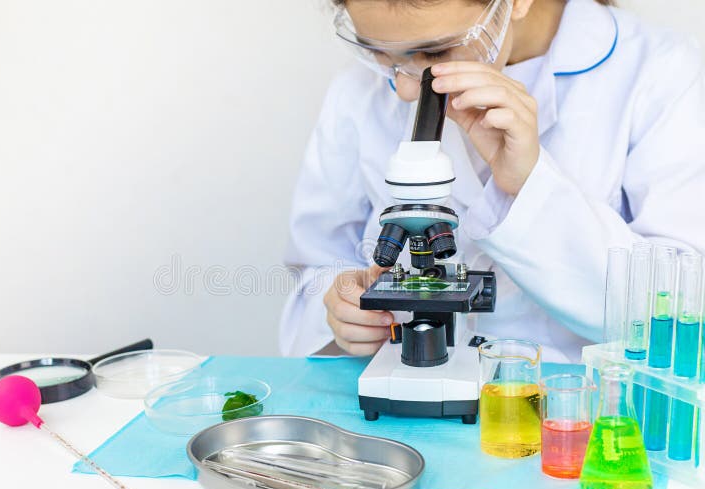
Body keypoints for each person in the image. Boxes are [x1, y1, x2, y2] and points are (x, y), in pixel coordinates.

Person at [280, 0, 705, 362]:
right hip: (405, 416)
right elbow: (317, 269)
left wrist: (530, 186)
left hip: (573, 421)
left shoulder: (661, 75)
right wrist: (342, 311)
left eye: (436, 50)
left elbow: (678, 313)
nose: (408, 90)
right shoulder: (356, 93)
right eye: (381, 53)